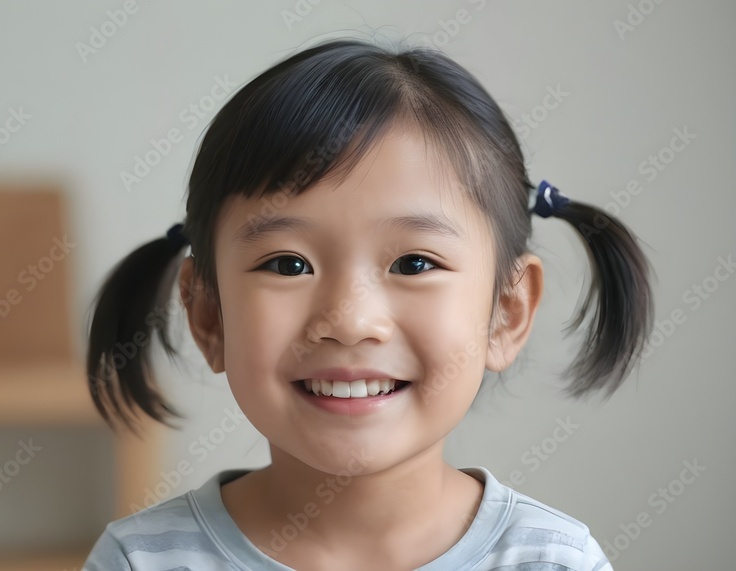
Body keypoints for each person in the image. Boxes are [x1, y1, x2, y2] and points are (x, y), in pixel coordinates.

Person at [82, 37, 652, 570]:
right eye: (288, 264)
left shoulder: (554, 561)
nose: (350, 322)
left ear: (506, 313)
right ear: (210, 315)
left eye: (415, 264)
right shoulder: (143, 561)